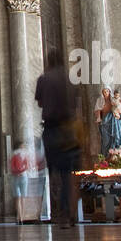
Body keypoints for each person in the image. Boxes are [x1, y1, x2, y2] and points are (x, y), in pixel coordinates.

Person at [36, 60, 82, 228]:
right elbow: (75, 104)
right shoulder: (69, 80)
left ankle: (58, 212)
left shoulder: (43, 79)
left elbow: (40, 102)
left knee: (54, 171)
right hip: (68, 131)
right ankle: (69, 212)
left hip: (52, 129)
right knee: (68, 174)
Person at [95, 87, 121, 155]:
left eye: (107, 91)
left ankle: (117, 154)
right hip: (105, 122)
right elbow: (97, 110)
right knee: (105, 140)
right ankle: (106, 156)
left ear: (109, 92)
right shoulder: (100, 100)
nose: (105, 93)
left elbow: (120, 109)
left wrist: (118, 114)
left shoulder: (113, 99)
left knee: (116, 137)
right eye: (104, 92)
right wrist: (99, 117)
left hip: (114, 120)